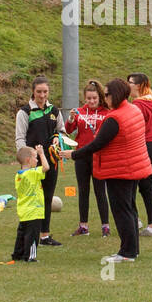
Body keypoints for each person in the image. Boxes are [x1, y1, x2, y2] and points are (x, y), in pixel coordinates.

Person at [70, 78, 152, 263]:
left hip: (121, 170)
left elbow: (97, 144)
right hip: (132, 168)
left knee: (122, 211)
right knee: (130, 209)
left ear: (115, 95)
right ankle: (133, 250)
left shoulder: (114, 118)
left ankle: (127, 253)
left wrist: (73, 154)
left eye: (106, 94)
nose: (104, 97)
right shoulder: (133, 110)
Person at [14, 75, 67, 247]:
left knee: (47, 197)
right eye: (39, 92)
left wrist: (58, 138)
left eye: (45, 92)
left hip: (50, 161)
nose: (42, 95)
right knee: (31, 199)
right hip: (32, 163)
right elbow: (20, 139)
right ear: (33, 91)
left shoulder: (54, 111)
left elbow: (62, 131)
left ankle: (44, 236)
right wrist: (26, 161)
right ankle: (27, 234)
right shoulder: (25, 112)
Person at [65, 80, 111, 237]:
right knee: (83, 191)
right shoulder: (79, 112)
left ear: (100, 97)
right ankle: (83, 226)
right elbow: (68, 130)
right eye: (88, 98)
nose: (91, 101)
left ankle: (105, 226)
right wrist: (71, 119)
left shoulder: (106, 112)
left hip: (99, 157)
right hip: (81, 156)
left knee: (100, 191)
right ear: (84, 98)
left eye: (94, 98)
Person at [128, 73, 152, 237]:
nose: (128, 85)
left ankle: (134, 220)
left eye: (130, 82)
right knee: (147, 187)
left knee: (130, 186)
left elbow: (134, 128)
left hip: (142, 146)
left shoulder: (137, 104)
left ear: (139, 85)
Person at [12, 144, 50, 262]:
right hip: (34, 211)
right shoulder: (32, 173)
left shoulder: (19, 175)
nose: (37, 160)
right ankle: (30, 256)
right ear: (28, 160)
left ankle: (17, 254)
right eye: (35, 157)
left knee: (22, 234)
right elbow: (46, 167)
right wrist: (42, 153)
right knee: (32, 236)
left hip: (24, 211)